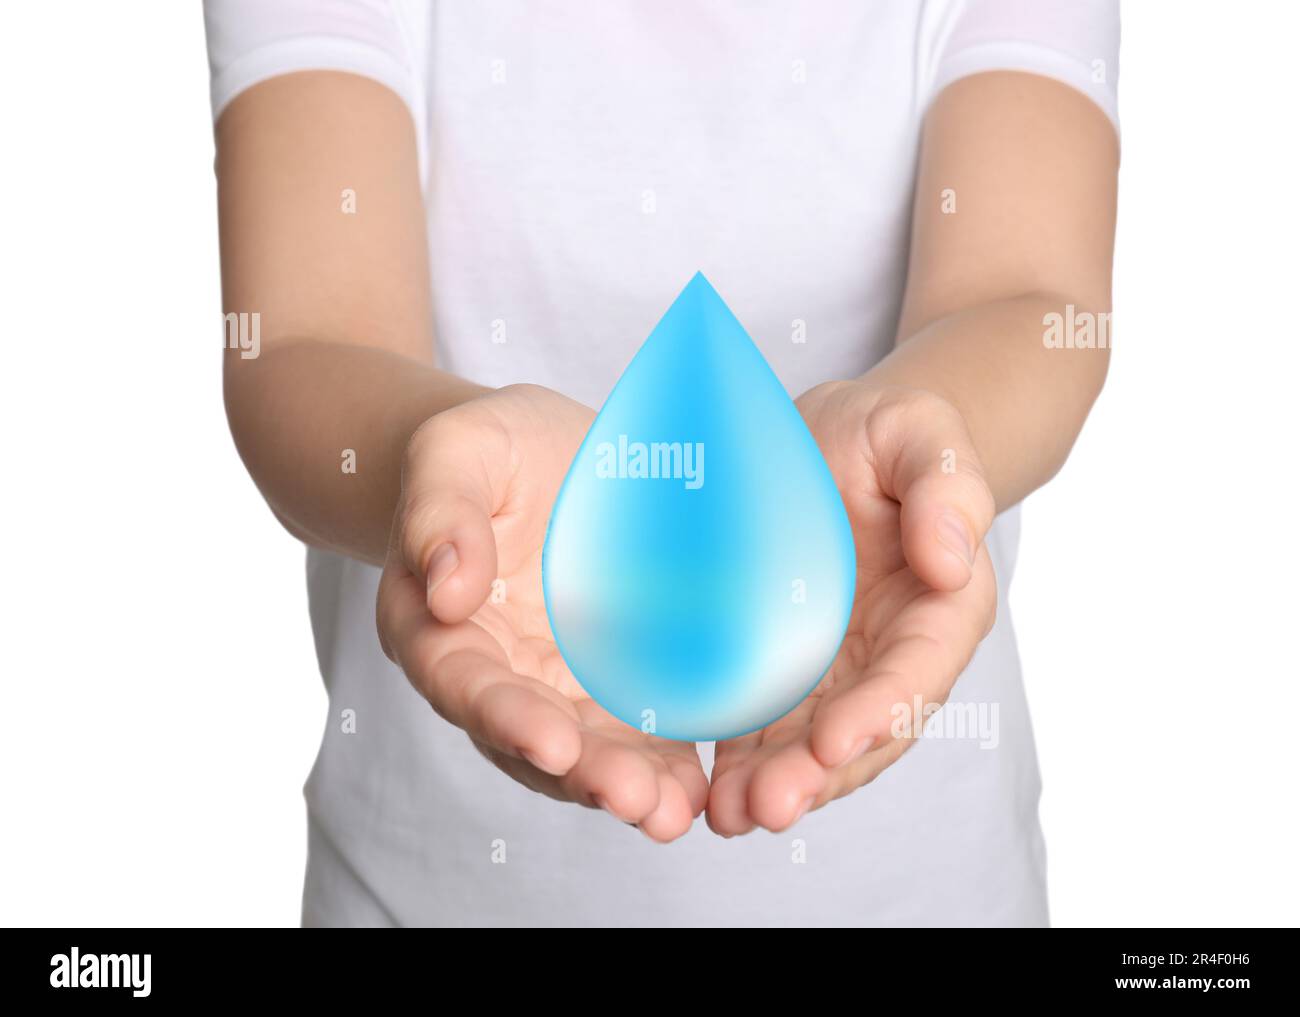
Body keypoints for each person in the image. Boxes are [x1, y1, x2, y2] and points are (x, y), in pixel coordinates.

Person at [204, 0, 1118, 927]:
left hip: (923, 889)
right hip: (427, 885)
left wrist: (920, 449)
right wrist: (443, 470)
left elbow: (1031, 297)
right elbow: (301, 339)